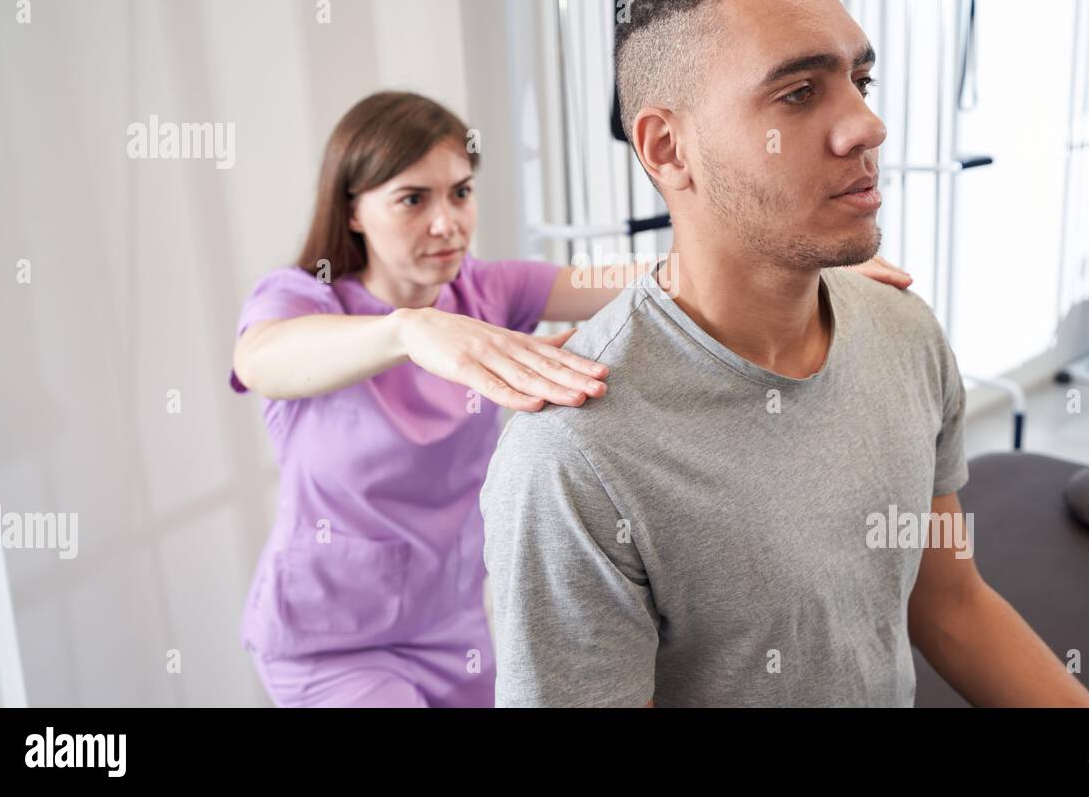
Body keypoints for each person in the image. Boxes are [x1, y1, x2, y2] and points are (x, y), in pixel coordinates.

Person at [480, 0, 1089, 707]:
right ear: (668, 149)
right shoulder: (571, 457)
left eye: (861, 82)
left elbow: (952, 606)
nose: (866, 126)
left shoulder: (904, 332)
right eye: (800, 93)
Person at [229, 89, 912, 707]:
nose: (447, 225)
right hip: (331, 640)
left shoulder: (490, 290)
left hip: (457, 630)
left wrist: (791, 259)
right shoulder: (304, 300)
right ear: (352, 210)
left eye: (461, 194)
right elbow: (260, 361)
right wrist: (410, 329)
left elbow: (649, 278)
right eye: (413, 199)